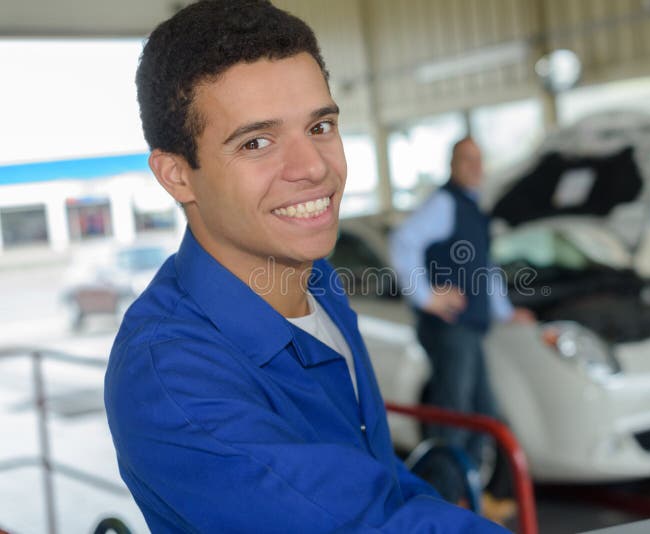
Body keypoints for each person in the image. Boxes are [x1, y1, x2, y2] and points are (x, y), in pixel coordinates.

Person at [103, 1, 509, 532]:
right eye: (257, 142)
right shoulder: (171, 379)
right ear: (177, 175)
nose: (315, 167)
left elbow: (379, 479)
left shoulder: (315, 278)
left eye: (320, 126)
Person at [389, 137, 535, 504]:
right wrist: (425, 295)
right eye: (466, 159)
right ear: (452, 164)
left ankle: (465, 497)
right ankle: (442, 505)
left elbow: (483, 269)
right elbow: (403, 241)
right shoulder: (444, 202)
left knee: (482, 413)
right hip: (449, 328)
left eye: (478, 160)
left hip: (470, 328)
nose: (474, 167)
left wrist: (504, 312)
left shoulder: (473, 210)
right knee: (451, 418)